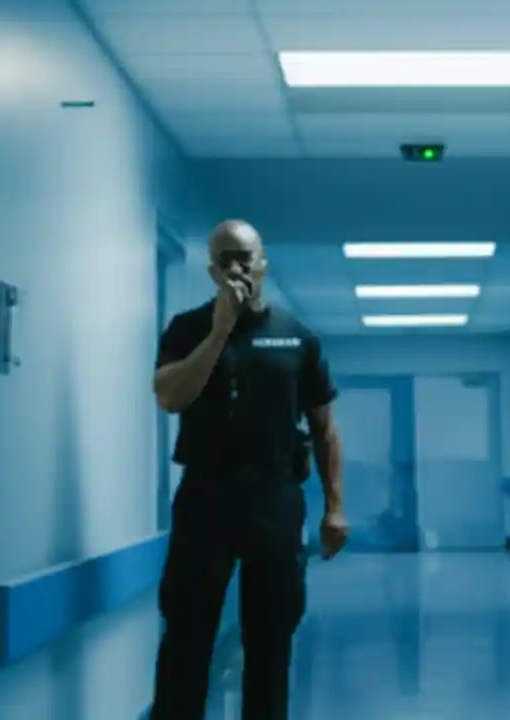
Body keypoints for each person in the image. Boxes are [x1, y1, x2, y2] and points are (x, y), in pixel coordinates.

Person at [149, 219, 350, 720]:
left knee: (271, 639)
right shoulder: (187, 329)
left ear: (264, 263)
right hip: (206, 497)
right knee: (187, 634)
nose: (237, 268)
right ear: (212, 271)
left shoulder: (297, 338)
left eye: (246, 256)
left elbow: (325, 430)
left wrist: (335, 508)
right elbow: (170, 396)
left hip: (274, 499)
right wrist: (220, 330)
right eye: (226, 259)